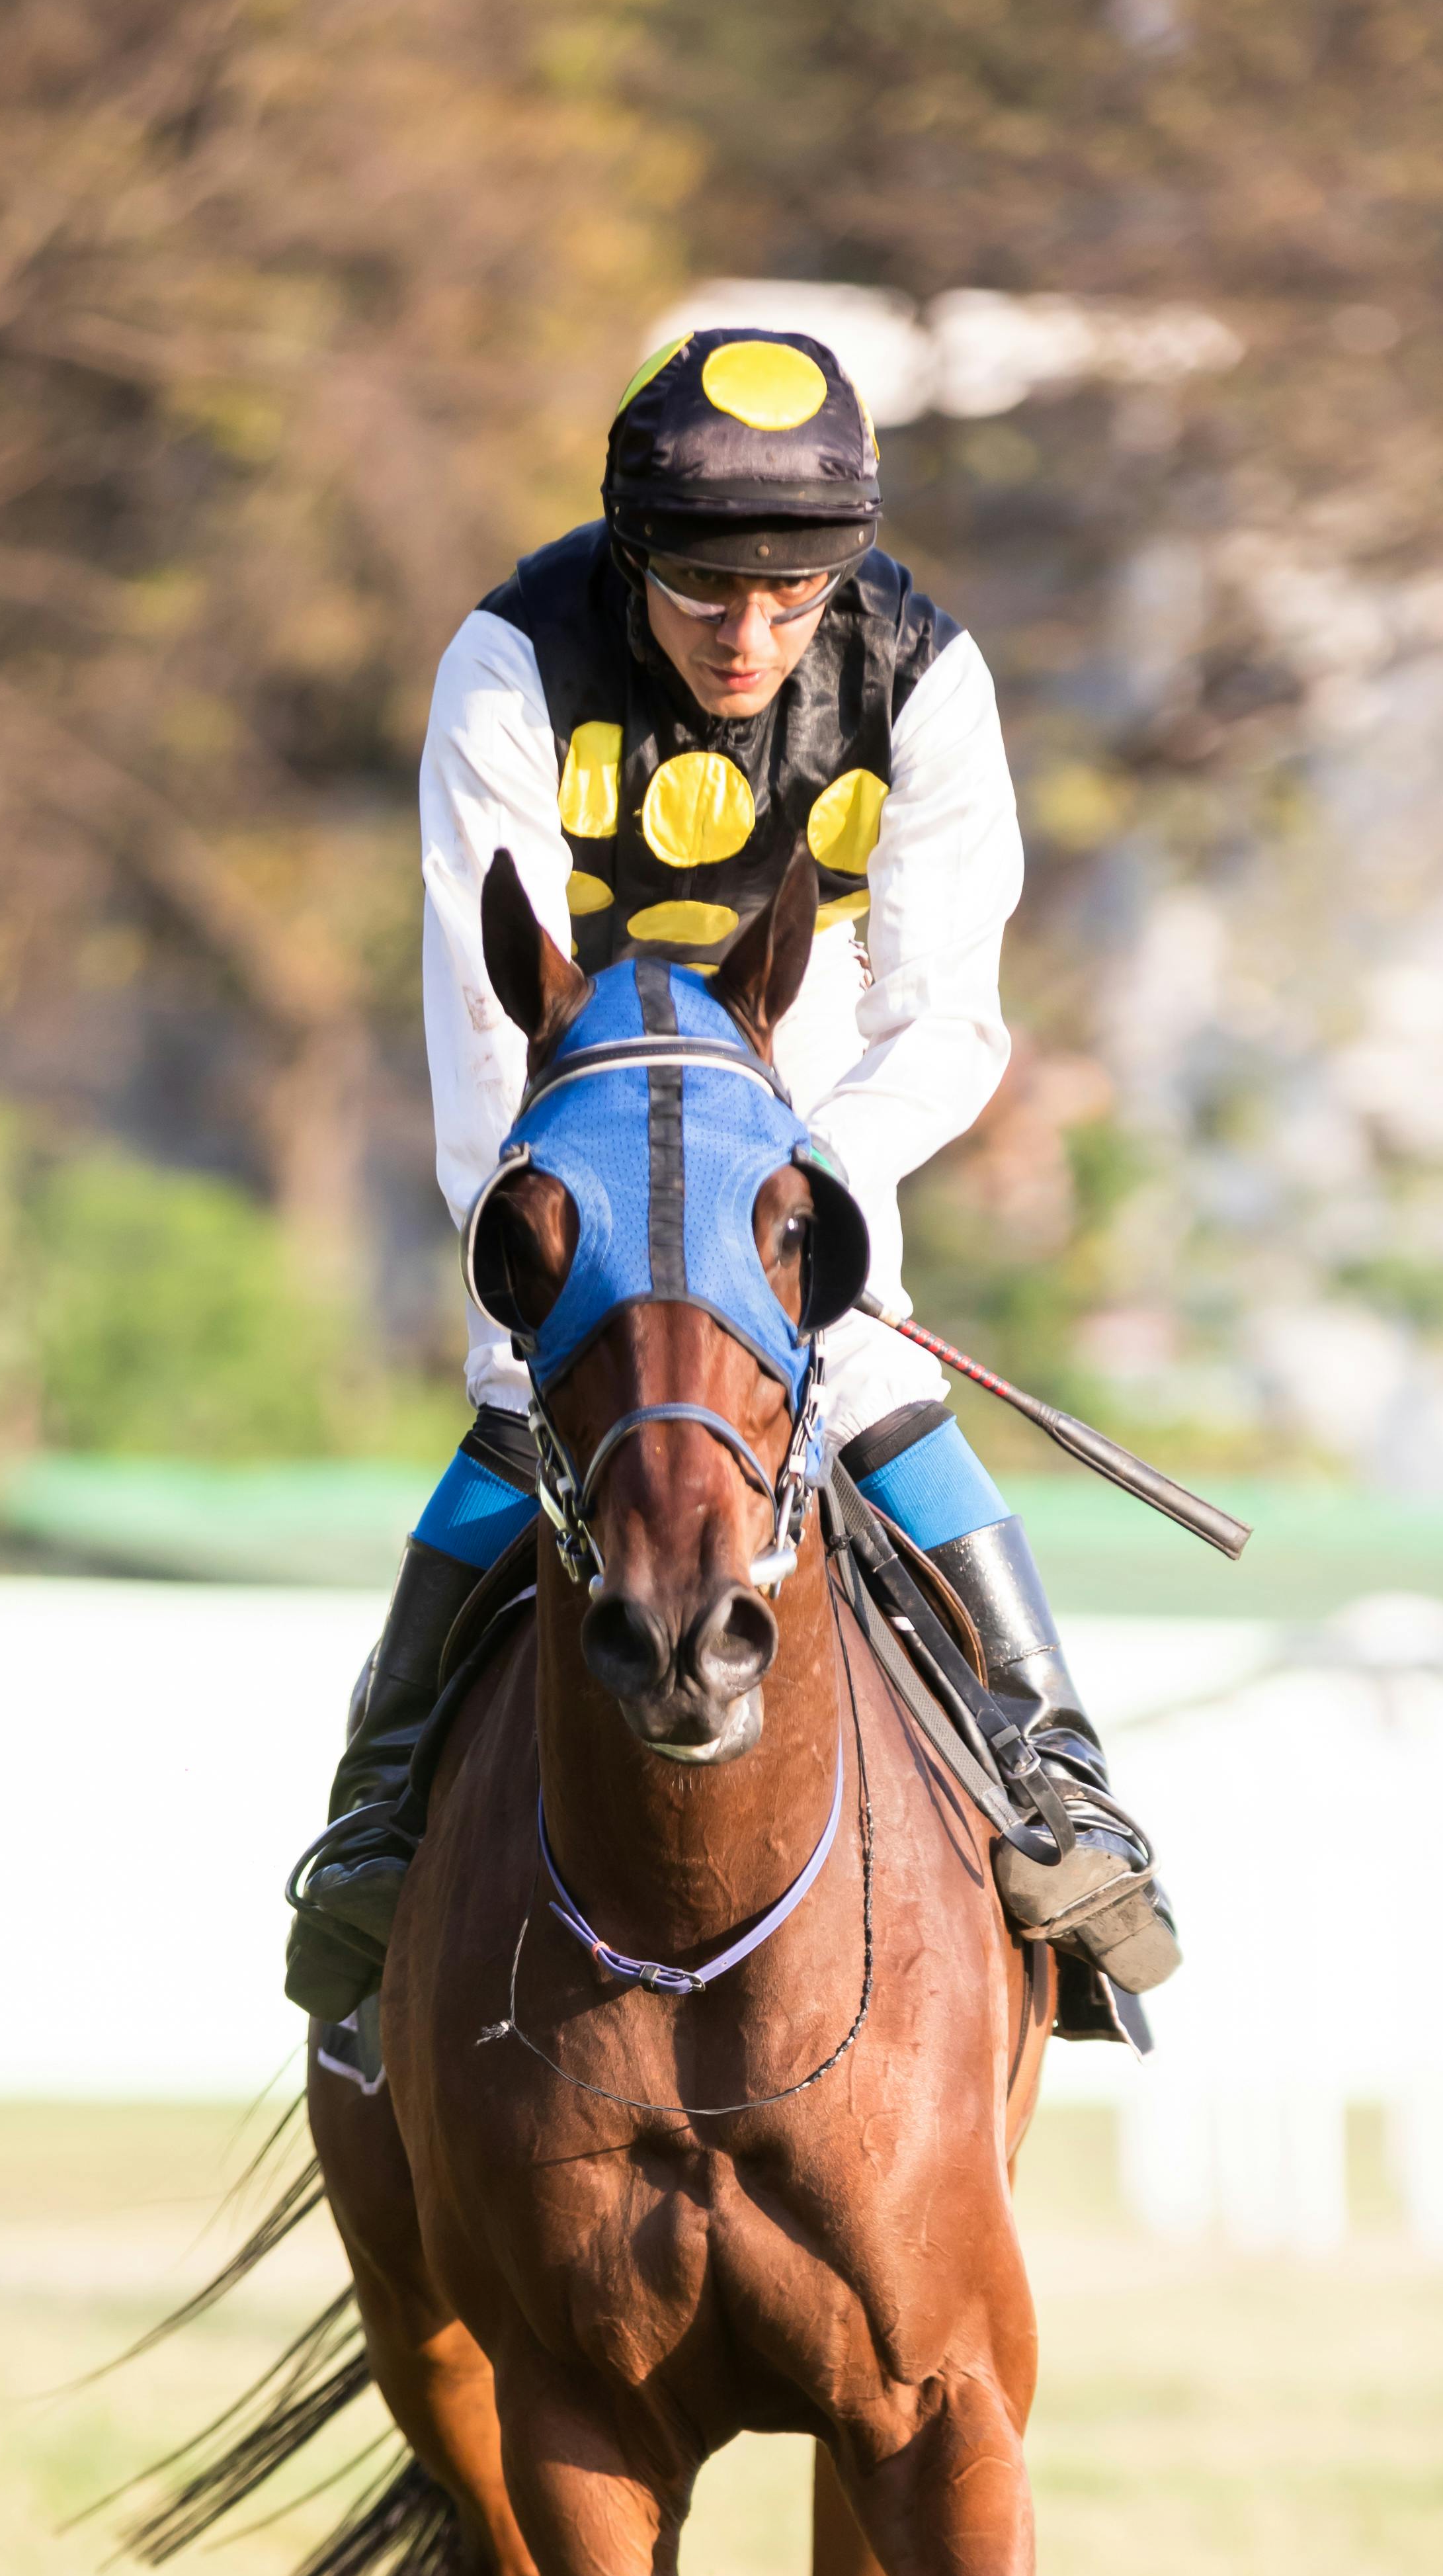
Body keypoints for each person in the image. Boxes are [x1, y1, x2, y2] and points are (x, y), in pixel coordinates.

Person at [283, 320, 1176, 2030]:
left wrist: (802, 1196)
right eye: (704, 595)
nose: (751, 636)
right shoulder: (508, 663)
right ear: (633, 553)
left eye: (791, 598)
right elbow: (483, 1013)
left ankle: (1063, 1785)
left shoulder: (929, 676)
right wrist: (541, 1271)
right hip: (573, 1103)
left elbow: (953, 1021)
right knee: (524, 1397)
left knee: (861, 1367)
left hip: (803, 1088)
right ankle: (378, 1819)